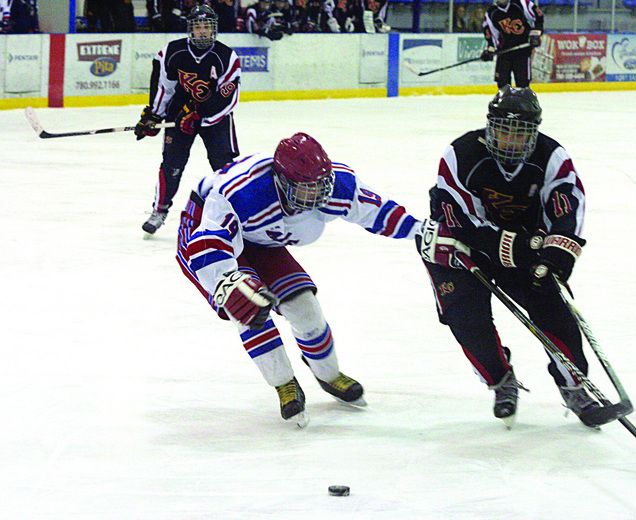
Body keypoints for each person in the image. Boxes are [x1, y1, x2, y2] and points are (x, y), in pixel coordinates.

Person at [176, 132, 421, 427]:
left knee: (304, 307)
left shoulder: (335, 184)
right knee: (250, 311)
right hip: (207, 239)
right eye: (307, 187)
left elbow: (376, 211)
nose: (318, 194)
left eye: (321, 184)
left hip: (259, 237)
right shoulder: (242, 193)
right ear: (282, 181)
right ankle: (284, 383)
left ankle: (328, 374)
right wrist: (225, 282)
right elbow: (208, 241)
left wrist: (420, 230)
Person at [416, 86, 599, 428]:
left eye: (520, 133)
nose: (511, 141)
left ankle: (574, 387)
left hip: (527, 248)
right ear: (490, 127)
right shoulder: (461, 154)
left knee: (553, 313)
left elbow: (567, 207)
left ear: (534, 133)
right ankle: (501, 380)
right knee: (466, 319)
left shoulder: (551, 157)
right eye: (503, 131)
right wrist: (516, 246)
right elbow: (460, 220)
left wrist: (557, 254)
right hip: (462, 250)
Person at [135, 4, 241, 236]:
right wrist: (154, 115)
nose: (202, 31)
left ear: (214, 29)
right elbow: (164, 88)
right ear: (190, 29)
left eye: (206, 27)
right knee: (172, 165)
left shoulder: (227, 57)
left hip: (216, 119)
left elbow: (228, 99)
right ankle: (159, 210)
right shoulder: (172, 52)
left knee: (225, 167)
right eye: (197, 26)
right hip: (179, 115)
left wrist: (200, 116)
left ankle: (237, 211)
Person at [480, 0, 543, 89]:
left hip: (523, 51)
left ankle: (523, 97)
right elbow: (491, 34)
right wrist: (490, 49)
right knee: (503, 84)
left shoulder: (521, 3)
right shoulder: (491, 13)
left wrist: (536, 33)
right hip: (504, 52)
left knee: (523, 84)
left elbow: (538, 16)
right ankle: (505, 98)